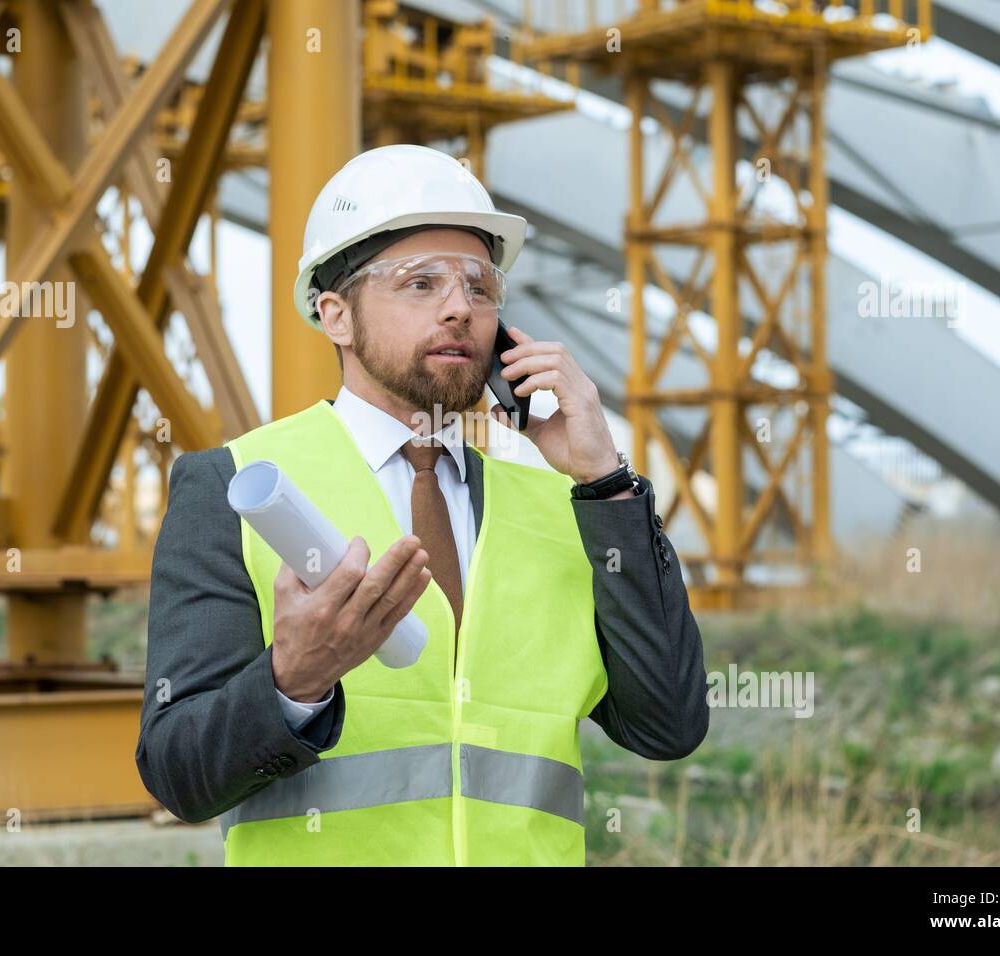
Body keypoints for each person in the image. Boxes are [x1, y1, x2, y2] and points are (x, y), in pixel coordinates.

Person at [137, 144, 708, 866]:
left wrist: (605, 481)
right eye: (421, 283)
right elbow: (179, 773)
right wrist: (293, 681)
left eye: (480, 286)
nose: (460, 308)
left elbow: (669, 724)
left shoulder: (565, 507)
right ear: (336, 315)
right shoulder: (236, 486)